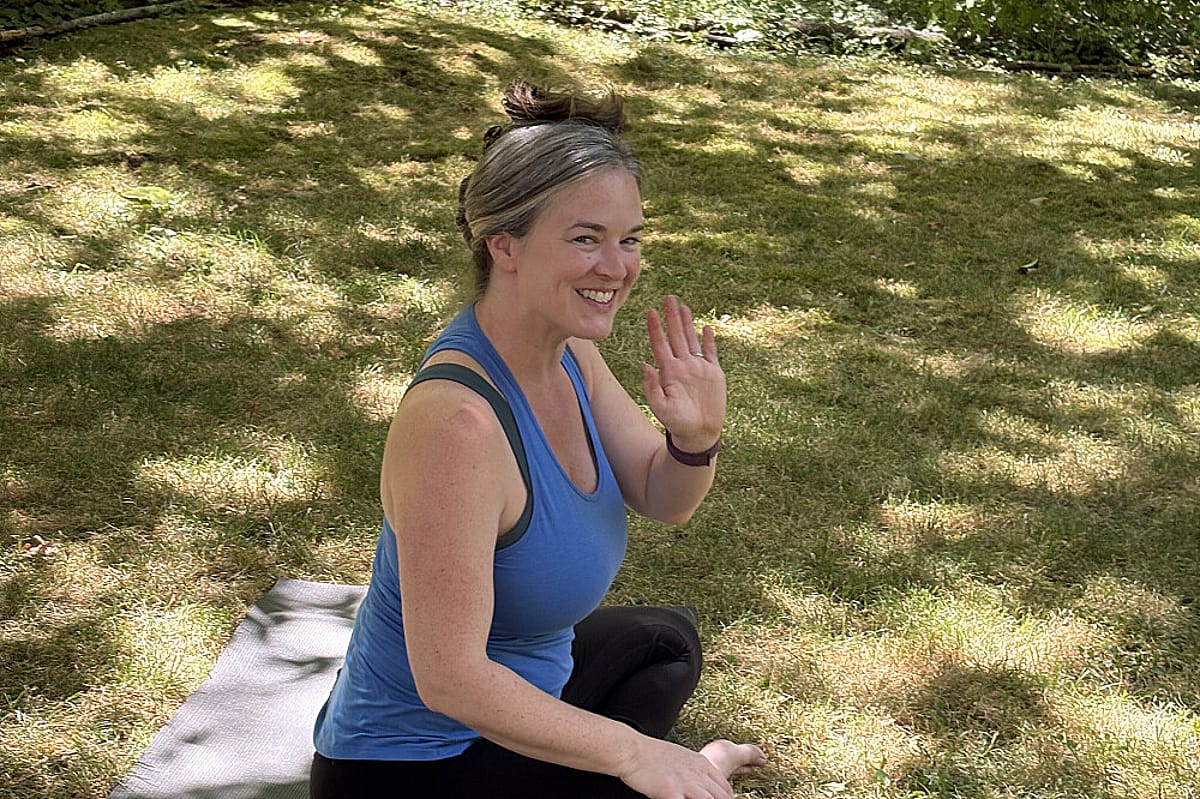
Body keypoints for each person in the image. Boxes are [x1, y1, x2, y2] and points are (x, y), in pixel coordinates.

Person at [310, 81, 766, 799]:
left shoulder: (569, 348)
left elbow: (661, 495)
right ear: (506, 246)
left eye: (629, 239)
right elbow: (450, 677)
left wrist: (695, 440)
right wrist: (634, 752)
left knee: (665, 642)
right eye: (585, 238)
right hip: (414, 765)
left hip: (525, 693)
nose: (617, 268)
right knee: (661, 781)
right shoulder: (455, 426)